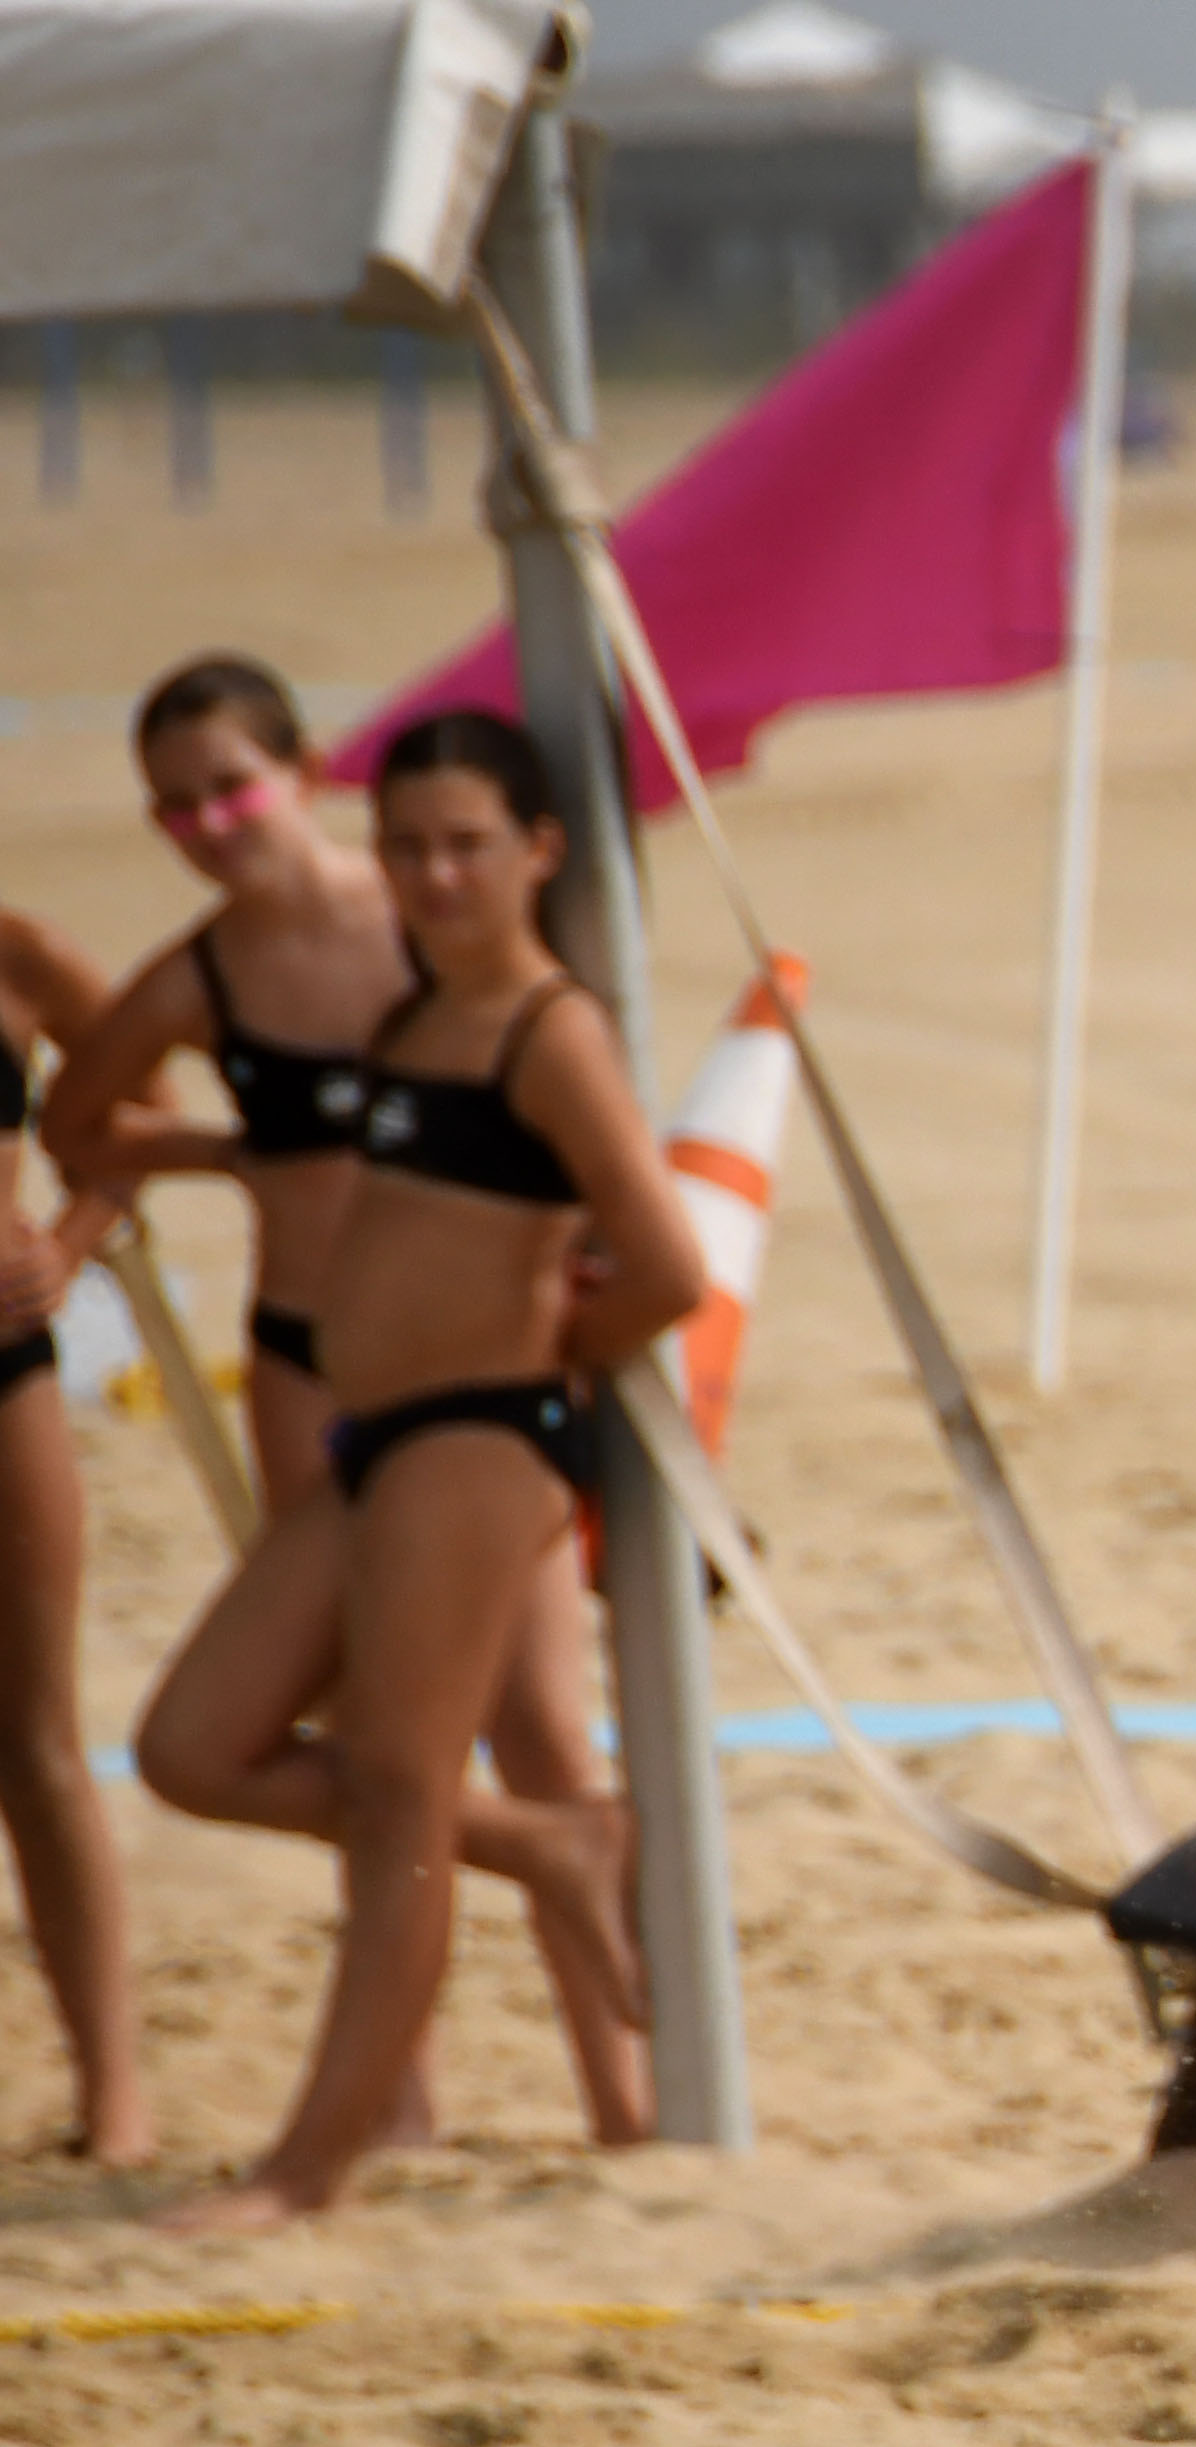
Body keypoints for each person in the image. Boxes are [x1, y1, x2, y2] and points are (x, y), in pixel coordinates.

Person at [50, 657, 624, 2133]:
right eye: (174, 805)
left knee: (545, 1723)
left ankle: (625, 2095)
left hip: (483, 1373)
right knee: (381, 1739)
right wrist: (232, 1153)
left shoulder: (430, 922)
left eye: (232, 786)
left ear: (304, 773)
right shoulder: (206, 972)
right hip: (310, 1365)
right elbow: (75, 1116)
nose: (208, 822)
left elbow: (567, 1116)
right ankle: (405, 2097)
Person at [151, 713, 700, 2230]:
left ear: (537, 850)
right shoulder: (409, 1017)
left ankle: (306, 2168)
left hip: (476, 1435)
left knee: (398, 1797)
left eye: (465, 842)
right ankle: (550, 1838)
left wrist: (547, 1348)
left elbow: (666, 1261)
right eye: (405, 844)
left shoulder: (547, 1029)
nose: (433, 872)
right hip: (374, 1435)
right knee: (194, 1743)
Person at [0, 907, 149, 2160]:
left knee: (41, 1741)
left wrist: (74, 1240)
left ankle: (116, 2098)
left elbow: (132, 1112)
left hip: (6, 1368)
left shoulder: (21, 951)